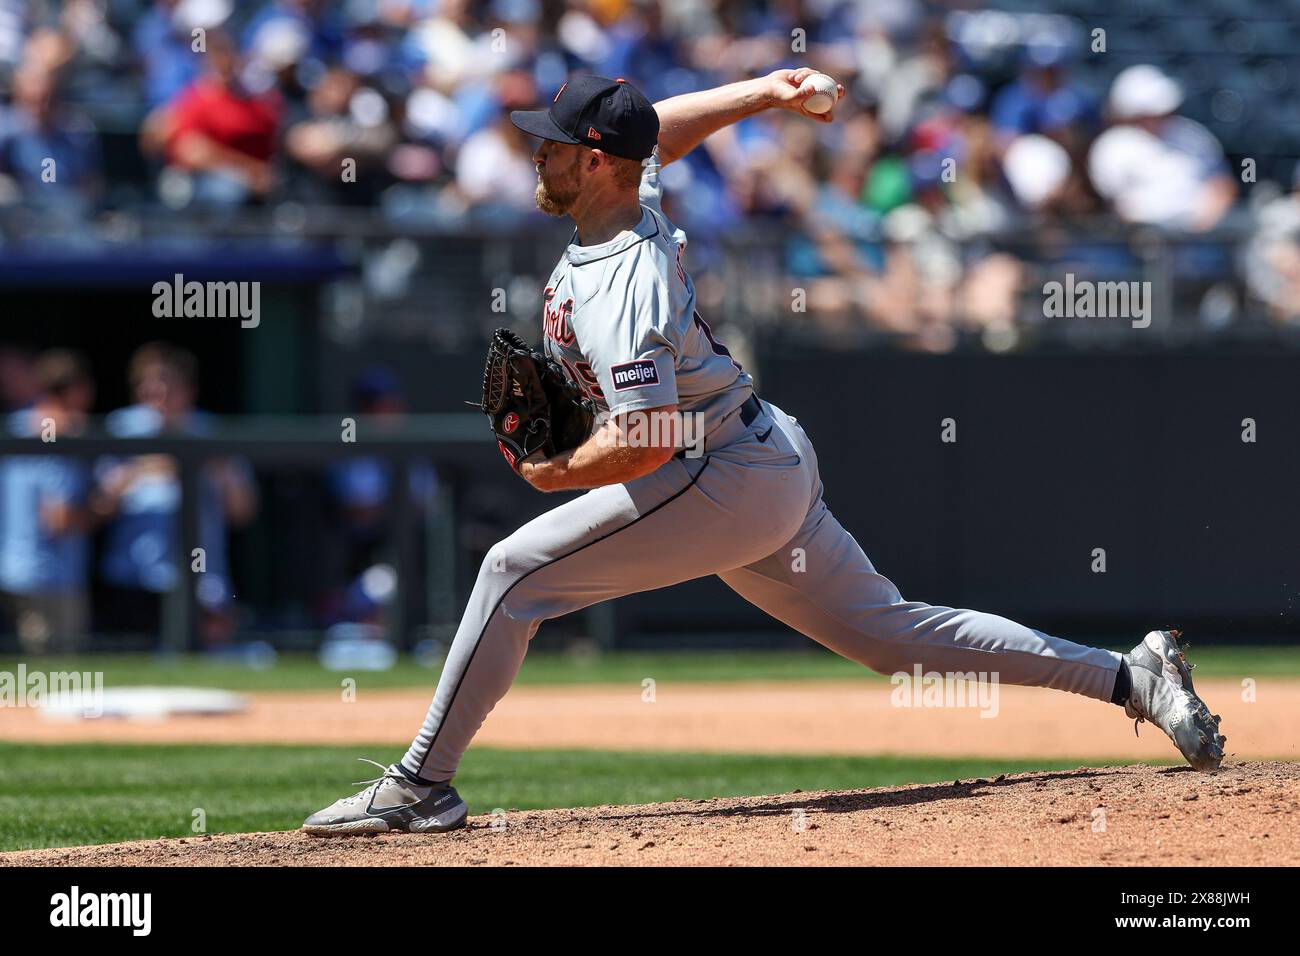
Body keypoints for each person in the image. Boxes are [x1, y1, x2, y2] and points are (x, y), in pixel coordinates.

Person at [303, 71, 1226, 836]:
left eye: (548, 143)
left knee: (512, 572)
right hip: (759, 454)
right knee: (891, 637)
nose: (532, 154)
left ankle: (422, 785)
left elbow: (642, 436)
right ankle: (1127, 674)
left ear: (593, 161)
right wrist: (770, 91)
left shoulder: (620, 272)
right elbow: (664, 131)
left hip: (714, 471)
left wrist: (550, 474)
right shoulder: (629, 198)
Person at [92, 344, 257, 642]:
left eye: (165, 381)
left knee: (198, 673)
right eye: (146, 382)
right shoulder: (121, 428)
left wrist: (206, 466)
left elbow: (242, 512)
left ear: (188, 388)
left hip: (202, 579)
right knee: (132, 675)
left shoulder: (211, 431)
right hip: (134, 575)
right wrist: (143, 468)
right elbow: (99, 507)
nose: (155, 391)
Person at [0, 350, 95, 654]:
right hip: (49, 578)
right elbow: (59, 519)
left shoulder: (16, 424)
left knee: (25, 678)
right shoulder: (56, 435)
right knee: (53, 677)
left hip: (13, 570)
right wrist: (110, 503)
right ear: (77, 391)